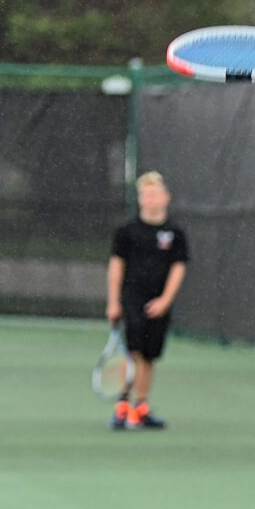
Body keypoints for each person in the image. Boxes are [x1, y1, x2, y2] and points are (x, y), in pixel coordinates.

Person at [106, 171, 189, 429]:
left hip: (158, 302)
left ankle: (141, 408)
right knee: (132, 352)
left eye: (154, 194)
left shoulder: (174, 233)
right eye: (144, 194)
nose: (149, 199)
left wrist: (165, 300)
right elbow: (116, 266)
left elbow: (178, 267)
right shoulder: (127, 232)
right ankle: (122, 407)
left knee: (150, 355)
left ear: (166, 198)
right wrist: (113, 302)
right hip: (132, 298)